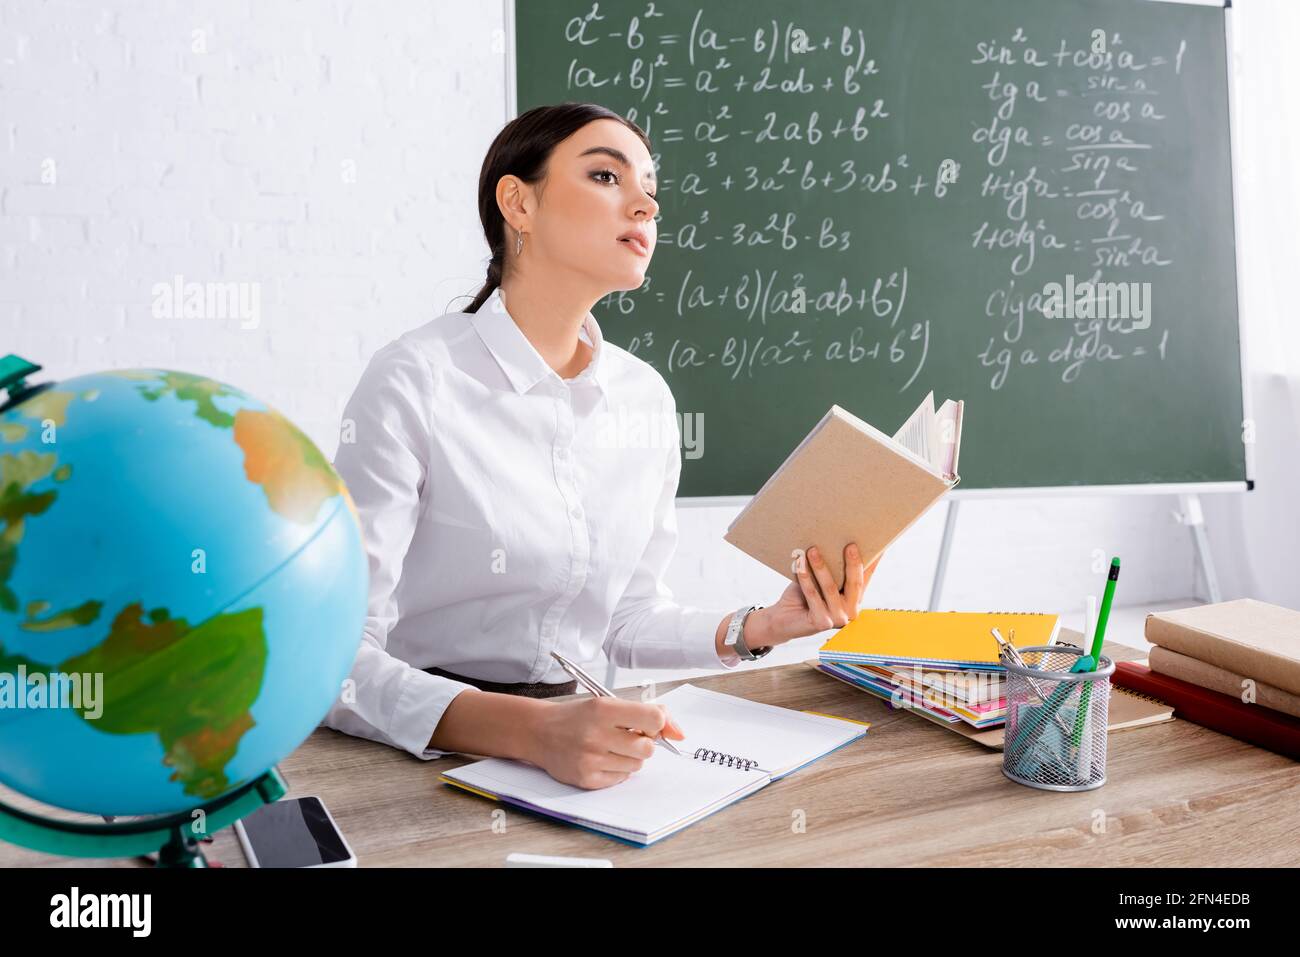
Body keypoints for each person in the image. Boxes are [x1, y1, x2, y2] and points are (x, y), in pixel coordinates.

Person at [322, 102, 880, 789]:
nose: (645, 204)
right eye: (607, 176)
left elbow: (625, 619)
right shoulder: (414, 380)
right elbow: (335, 661)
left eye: (651, 187)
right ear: (517, 203)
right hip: (416, 749)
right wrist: (534, 732)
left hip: (587, 751)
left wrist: (760, 624)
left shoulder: (644, 398)